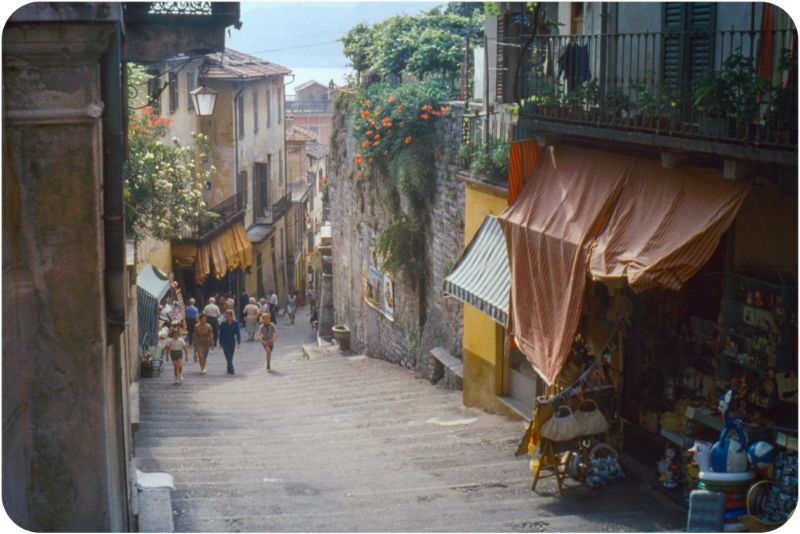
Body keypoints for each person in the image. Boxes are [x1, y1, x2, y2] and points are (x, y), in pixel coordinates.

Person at [218, 309, 241, 375]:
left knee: (231, 356)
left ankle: (228, 368)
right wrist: (220, 342)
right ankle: (232, 369)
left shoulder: (235, 323)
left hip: (232, 341)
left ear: (231, 316)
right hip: (224, 341)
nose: (227, 317)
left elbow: (238, 333)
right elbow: (220, 334)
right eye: (226, 316)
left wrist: (238, 343)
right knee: (227, 355)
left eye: (228, 316)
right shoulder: (223, 323)